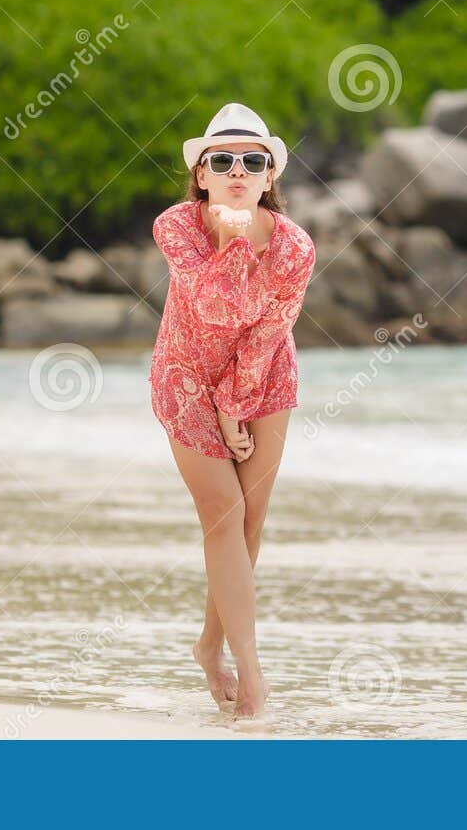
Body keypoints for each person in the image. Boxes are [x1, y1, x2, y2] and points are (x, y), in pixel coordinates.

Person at [148, 102, 316, 719]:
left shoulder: (296, 246)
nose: (239, 171)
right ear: (202, 175)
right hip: (184, 377)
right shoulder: (177, 227)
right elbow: (215, 307)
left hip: (265, 376)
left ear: (271, 177)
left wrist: (236, 404)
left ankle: (209, 644)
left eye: (254, 161)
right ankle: (251, 672)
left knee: (251, 522)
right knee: (224, 513)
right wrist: (237, 240)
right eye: (224, 161)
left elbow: (270, 328)